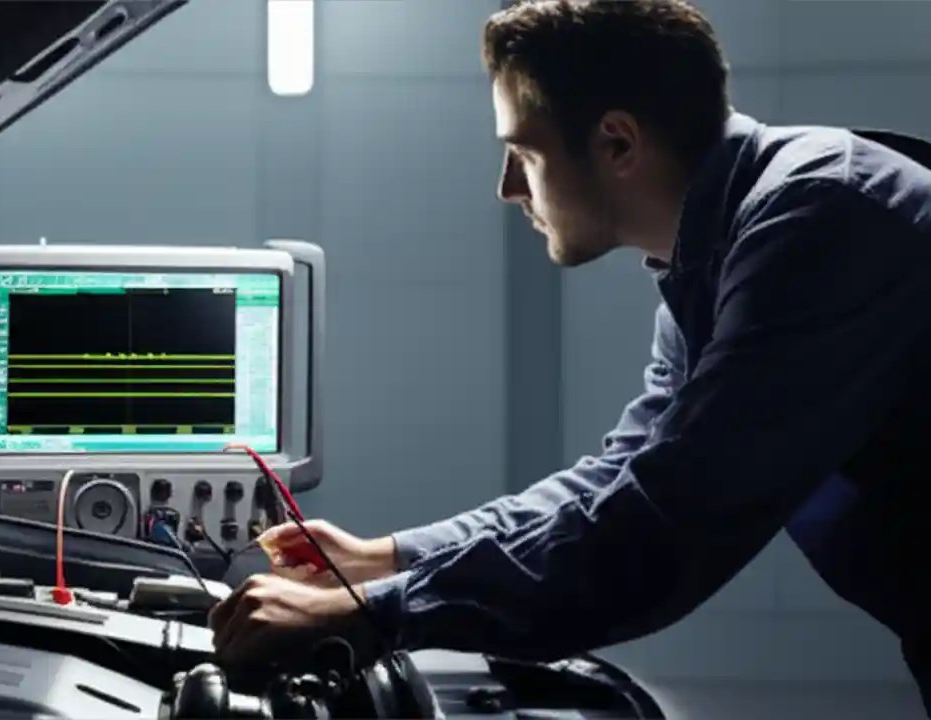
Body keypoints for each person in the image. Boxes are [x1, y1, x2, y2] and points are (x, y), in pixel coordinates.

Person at [208, 0, 931, 711]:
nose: (507, 187)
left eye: (523, 151)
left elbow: (661, 528)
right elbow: (615, 479)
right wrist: (391, 557)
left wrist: (376, 612)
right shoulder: (722, 248)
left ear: (617, 143)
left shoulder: (820, 222)